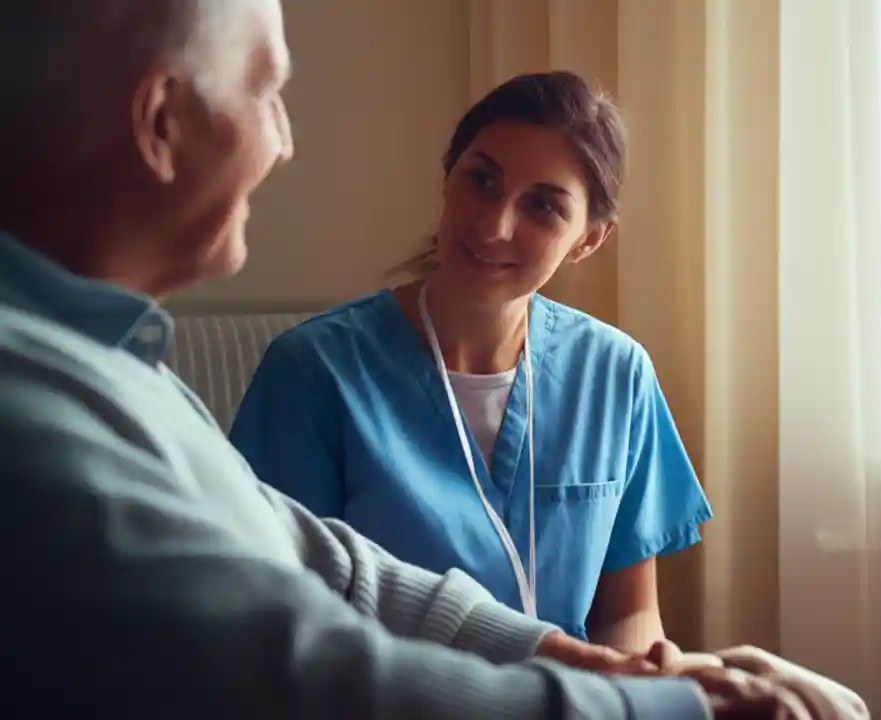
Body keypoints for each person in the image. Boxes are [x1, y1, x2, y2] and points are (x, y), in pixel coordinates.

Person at [0, 1, 798, 717]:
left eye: (544, 206)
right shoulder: (39, 416)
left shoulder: (129, 372)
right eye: (267, 92)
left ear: (590, 238)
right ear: (161, 123)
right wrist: (660, 709)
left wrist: (591, 664)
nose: (284, 144)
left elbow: (332, 561)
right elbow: (307, 669)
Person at [229, 70, 711, 650]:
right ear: (448, 176)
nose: (494, 224)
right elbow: (281, 617)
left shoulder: (615, 375)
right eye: (482, 180)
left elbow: (628, 615)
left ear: (589, 240)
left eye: (543, 207)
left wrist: (632, 681)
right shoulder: (315, 371)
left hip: (579, 692)